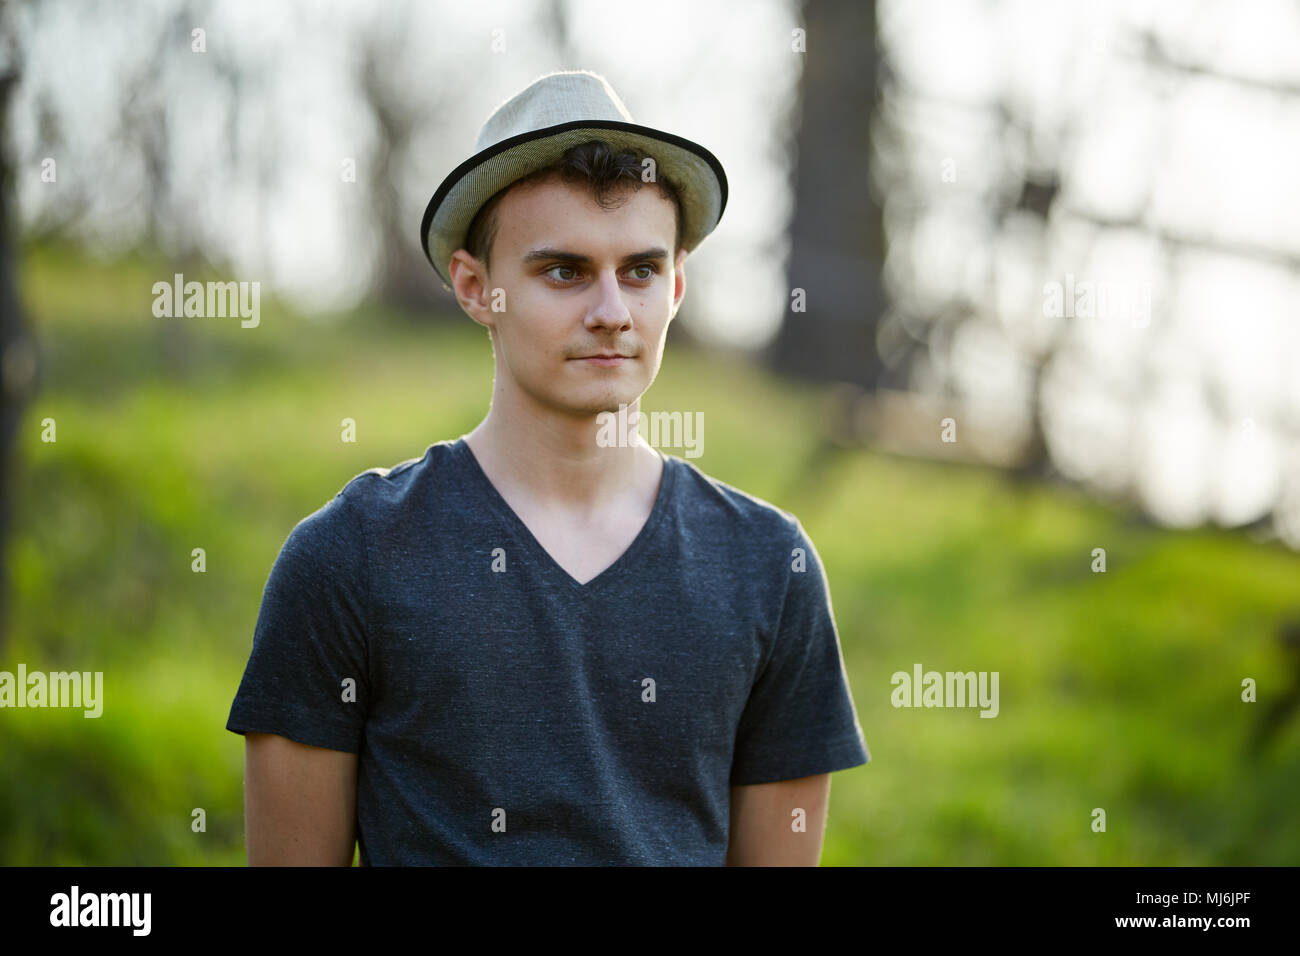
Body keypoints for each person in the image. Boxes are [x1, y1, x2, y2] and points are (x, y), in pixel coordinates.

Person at [226, 70, 869, 866]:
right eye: (563, 271)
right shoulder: (349, 558)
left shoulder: (771, 568)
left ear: (674, 287)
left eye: (638, 271)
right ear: (476, 288)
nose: (610, 311)